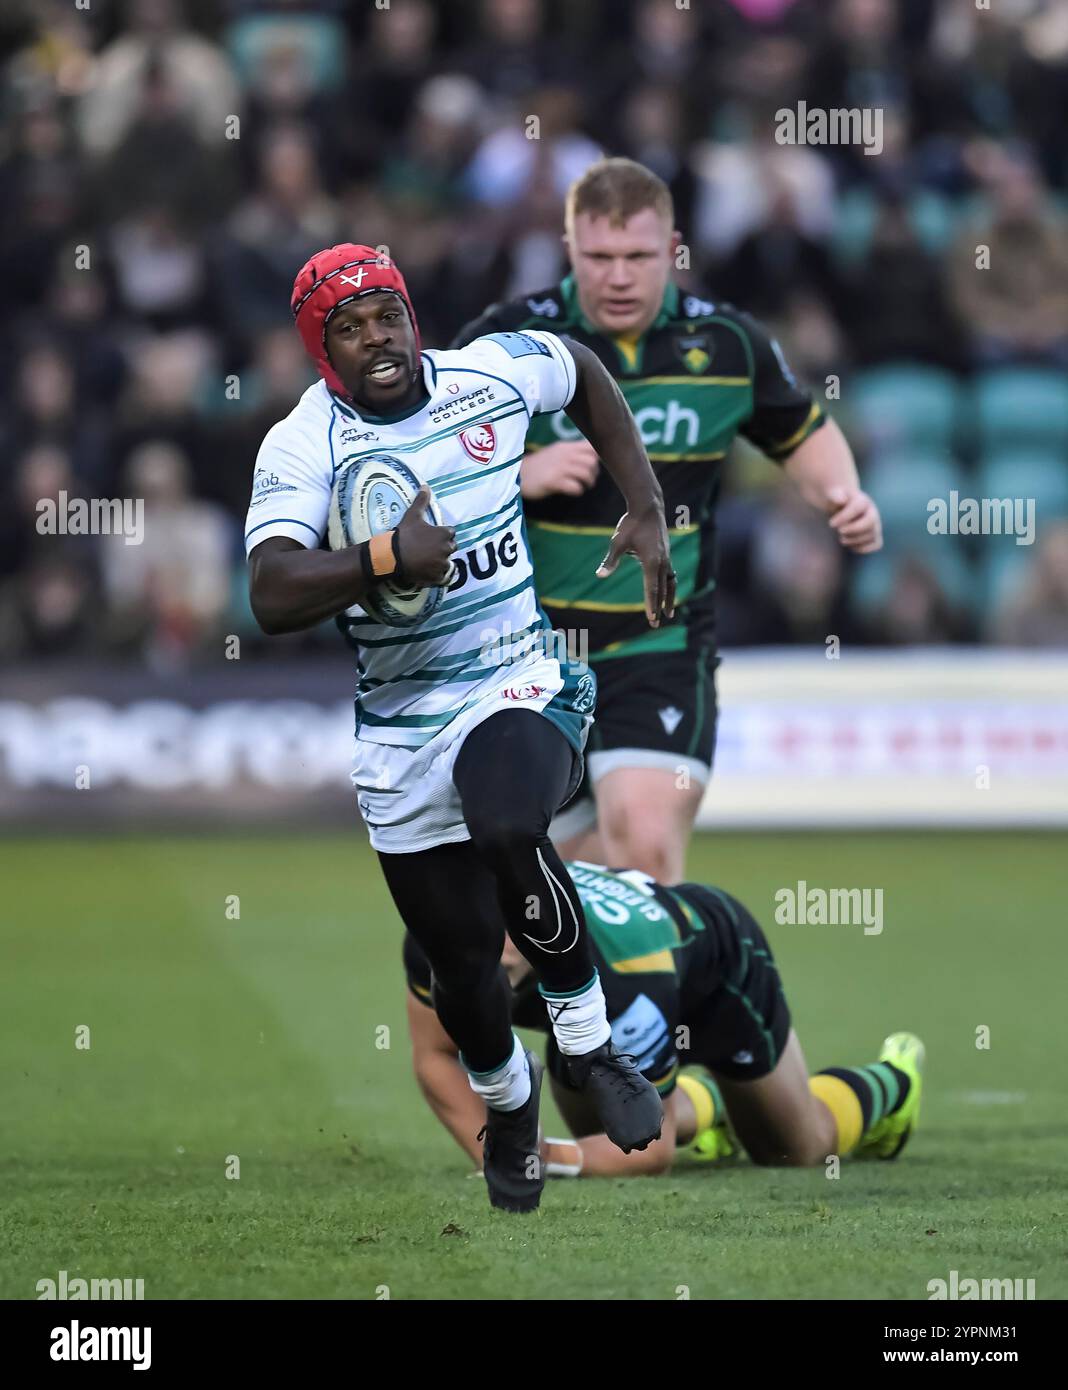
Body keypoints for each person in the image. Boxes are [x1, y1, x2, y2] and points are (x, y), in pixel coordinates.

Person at [245, 242, 677, 1213]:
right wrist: (389, 553)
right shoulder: (304, 444)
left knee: (511, 826)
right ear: (324, 350)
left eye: (388, 315)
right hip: (400, 729)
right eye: (350, 329)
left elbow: (586, 371)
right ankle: (510, 1102)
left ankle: (591, 1043)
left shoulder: (488, 375)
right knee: (463, 970)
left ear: (412, 318)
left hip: (517, 680)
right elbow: (272, 592)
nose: (378, 339)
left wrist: (646, 502)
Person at [452, 158, 883, 884]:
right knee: (507, 913)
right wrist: (520, 474)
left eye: (638, 257)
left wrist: (843, 491)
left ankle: (639, 982)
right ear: (569, 249)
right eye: (599, 257)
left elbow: (802, 428)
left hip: (660, 649)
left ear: (673, 249)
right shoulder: (508, 345)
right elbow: (427, 475)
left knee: (645, 850)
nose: (619, 276)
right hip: (523, 658)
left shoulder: (727, 345)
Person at [405, 860, 925, 1179]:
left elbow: (648, 1155)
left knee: (792, 1150)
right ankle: (716, 1103)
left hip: (716, 966)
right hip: (608, 992)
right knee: (605, 1128)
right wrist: (493, 1153)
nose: (479, 954)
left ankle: (895, 1082)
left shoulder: (627, 981)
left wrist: (545, 1159)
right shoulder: (438, 943)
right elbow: (435, 1054)